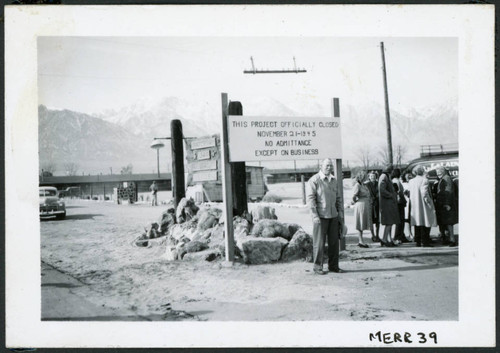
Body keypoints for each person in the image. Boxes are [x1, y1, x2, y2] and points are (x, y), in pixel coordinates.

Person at [306, 158, 345, 275]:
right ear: (321, 166)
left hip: (333, 216)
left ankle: (334, 266)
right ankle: (318, 267)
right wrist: (314, 216)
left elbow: (338, 199)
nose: (329, 168)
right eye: (327, 165)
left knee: (334, 243)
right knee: (319, 243)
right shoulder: (314, 180)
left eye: (330, 166)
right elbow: (311, 200)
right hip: (320, 217)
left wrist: (340, 214)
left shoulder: (333, 180)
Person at [408, 166, 436, 247]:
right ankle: (425, 241)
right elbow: (424, 193)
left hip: (414, 205)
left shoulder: (411, 181)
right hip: (423, 204)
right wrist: (429, 203)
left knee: (417, 222)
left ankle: (418, 241)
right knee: (425, 221)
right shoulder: (424, 180)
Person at [435, 166, 458, 247]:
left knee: (449, 223)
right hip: (443, 204)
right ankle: (448, 239)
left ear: (444, 171)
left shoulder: (446, 178)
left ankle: (452, 240)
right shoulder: (443, 178)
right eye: (437, 172)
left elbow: (449, 191)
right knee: (446, 222)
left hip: (446, 204)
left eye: (440, 172)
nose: (438, 174)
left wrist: (447, 203)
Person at [378, 164, 400, 247]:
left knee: (390, 222)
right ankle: (384, 239)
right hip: (387, 203)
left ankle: (388, 239)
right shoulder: (384, 177)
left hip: (388, 203)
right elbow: (382, 190)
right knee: (389, 222)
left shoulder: (385, 176)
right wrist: (391, 195)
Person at [352, 171, 371, 248]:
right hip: (360, 204)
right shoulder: (357, 185)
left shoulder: (363, 185)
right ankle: (360, 241)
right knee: (360, 222)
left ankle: (361, 240)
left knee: (362, 222)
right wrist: (356, 201)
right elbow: (354, 196)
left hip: (365, 204)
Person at [392, 168, 409, 243]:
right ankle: (398, 236)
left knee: (400, 220)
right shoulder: (397, 181)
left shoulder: (393, 181)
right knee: (400, 220)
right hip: (399, 202)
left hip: (396, 202)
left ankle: (401, 235)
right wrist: (404, 200)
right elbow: (400, 193)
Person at [365, 171, 380, 242]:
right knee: (371, 220)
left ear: (376, 177)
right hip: (370, 203)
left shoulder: (378, 184)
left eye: (374, 176)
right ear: (369, 177)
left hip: (377, 203)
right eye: (371, 176)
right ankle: (373, 235)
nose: (372, 178)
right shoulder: (367, 184)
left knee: (378, 221)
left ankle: (377, 235)